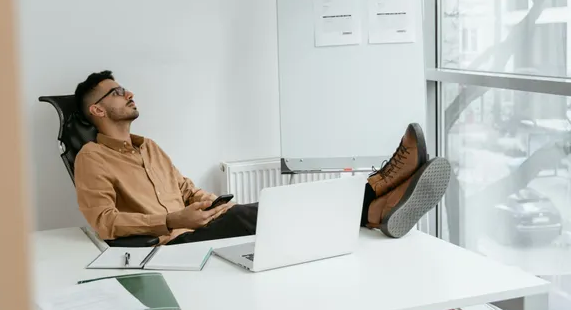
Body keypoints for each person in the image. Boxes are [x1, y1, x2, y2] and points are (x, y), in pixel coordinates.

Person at [73, 71, 451, 245]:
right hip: (169, 245)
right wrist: (173, 219)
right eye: (117, 91)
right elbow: (104, 222)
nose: (129, 92)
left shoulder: (149, 146)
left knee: (275, 206)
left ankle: (374, 205)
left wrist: (208, 205)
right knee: (275, 210)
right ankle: (375, 194)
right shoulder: (92, 158)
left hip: (197, 226)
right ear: (98, 111)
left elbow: (186, 189)